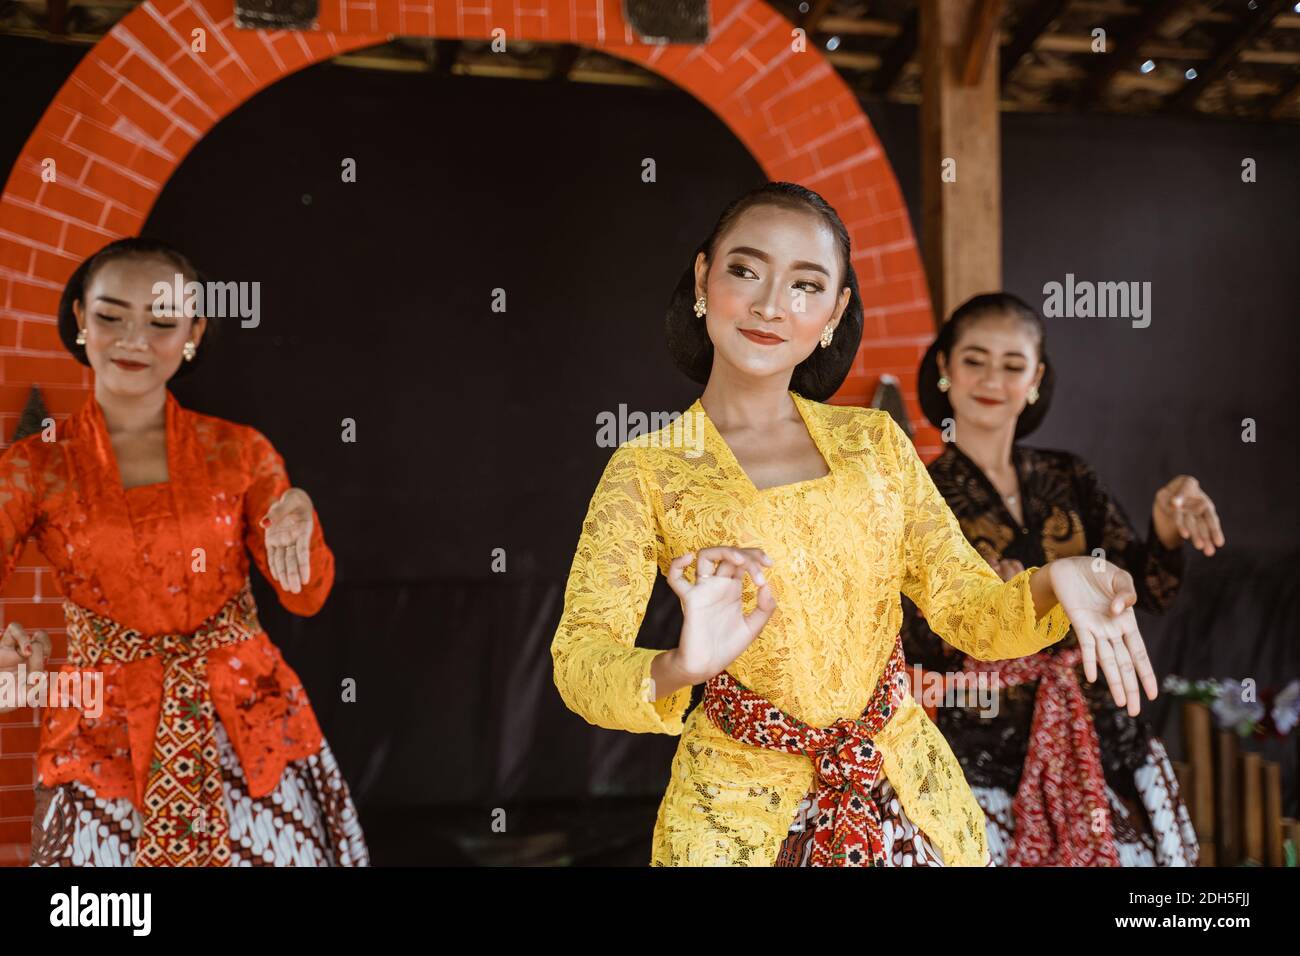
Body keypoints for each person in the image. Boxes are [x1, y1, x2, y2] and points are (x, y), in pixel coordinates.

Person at [550, 182, 1158, 867]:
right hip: (736, 821)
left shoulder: (876, 443)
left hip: (903, 798)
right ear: (702, 279)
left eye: (806, 285)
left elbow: (969, 612)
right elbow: (580, 660)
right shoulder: (649, 468)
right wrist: (681, 665)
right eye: (746, 270)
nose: (771, 305)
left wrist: (1053, 581)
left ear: (835, 312)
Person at [0, 237, 368, 866]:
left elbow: (305, 597)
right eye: (112, 315)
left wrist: (301, 521)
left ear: (194, 332)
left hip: (248, 725)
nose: (134, 339)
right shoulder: (37, 465)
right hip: (103, 736)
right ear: (81, 319)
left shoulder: (240, 451)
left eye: (162, 321)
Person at [902, 291, 1223, 866]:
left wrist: (1166, 530)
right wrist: (988, 602)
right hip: (987, 757)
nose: (992, 379)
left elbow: (1145, 590)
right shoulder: (919, 493)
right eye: (975, 359)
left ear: (1036, 379)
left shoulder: (1069, 475)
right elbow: (913, 646)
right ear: (944, 366)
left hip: (1103, 738)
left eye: (1013, 364)